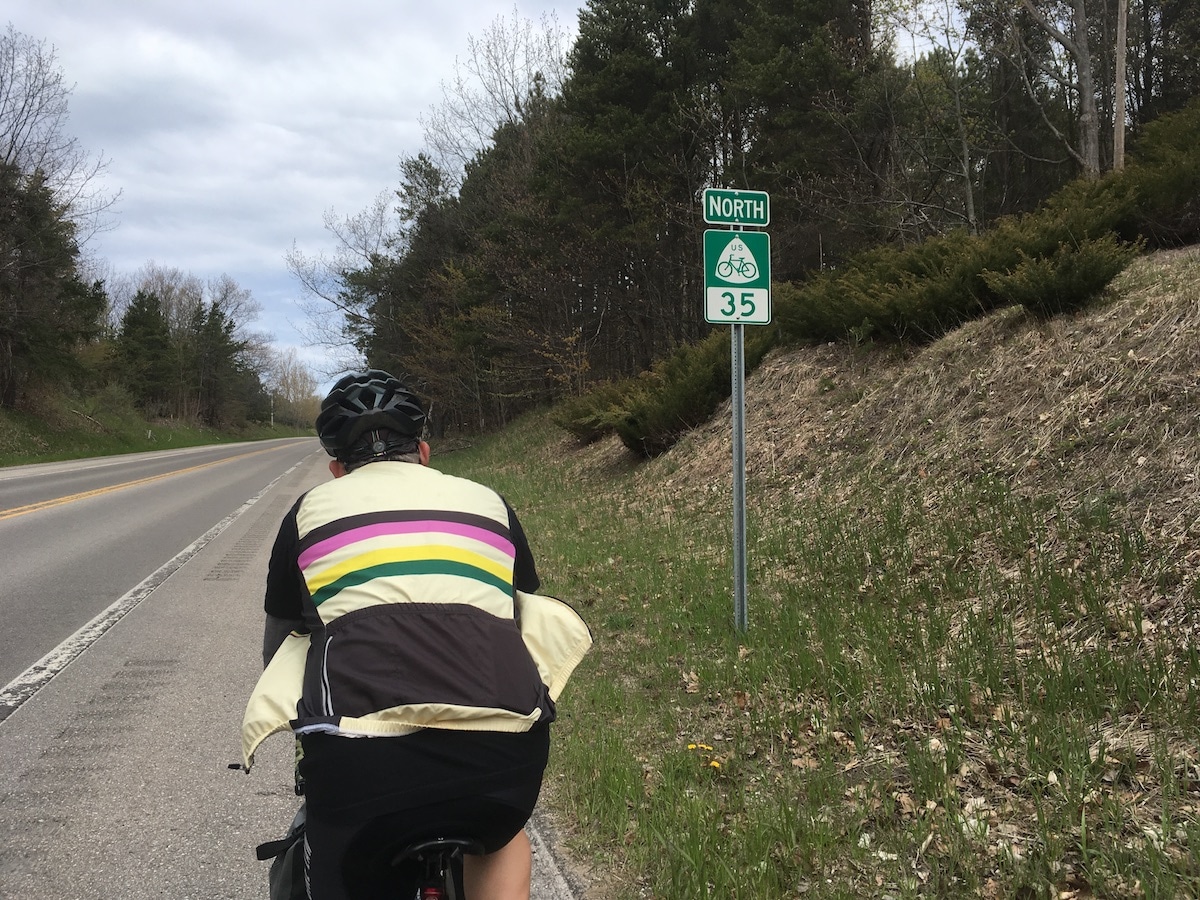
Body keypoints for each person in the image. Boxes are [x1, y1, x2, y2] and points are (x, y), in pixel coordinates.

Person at [241, 370, 590, 900]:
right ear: (424, 452)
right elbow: (521, 609)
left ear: (336, 470)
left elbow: (278, 648)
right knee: (502, 838)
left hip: (361, 767)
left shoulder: (307, 512)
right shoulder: (489, 501)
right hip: (503, 759)